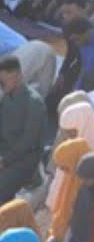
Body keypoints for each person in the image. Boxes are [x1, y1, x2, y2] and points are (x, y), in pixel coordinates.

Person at [0, 55, 46, 201]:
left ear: (17, 76)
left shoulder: (34, 103)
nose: (1, 86)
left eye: (2, 82)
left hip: (23, 160)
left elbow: (28, 142)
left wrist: (4, 161)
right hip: (4, 154)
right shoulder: (5, 99)